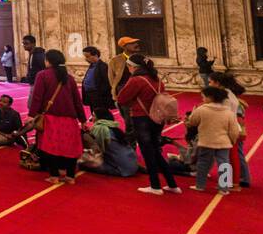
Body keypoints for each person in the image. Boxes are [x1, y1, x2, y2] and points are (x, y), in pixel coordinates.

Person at [116, 54, 182, 195]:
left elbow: (121, 98)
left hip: (142, 118)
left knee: (148, 152)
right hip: (157, 118)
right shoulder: (156, 79)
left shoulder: (136, 80)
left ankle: (155, 186)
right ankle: (172, 184)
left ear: (133, 66)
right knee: (155, 151)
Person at [28, 49, 85, 184]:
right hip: (70, 119)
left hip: (51, 118)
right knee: (70, 148)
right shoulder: (69, 78)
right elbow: (77, 101)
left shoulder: (42, 75)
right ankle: (70, 176)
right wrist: (82, 120)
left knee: (50, 147)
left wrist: (31, 115)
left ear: (48, 61)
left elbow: (37, 97)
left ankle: (54, 176)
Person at [186, 86, 243, 194]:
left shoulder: (202, 109)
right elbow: (234, 130)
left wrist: (192, 114)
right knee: (224, 164)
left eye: (203, 97)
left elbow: (192, 122)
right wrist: (232, 141)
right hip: (224, 143)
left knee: (203, 164)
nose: (202, 99)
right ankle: (224, 188)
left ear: (210, 97)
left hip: (206, 142)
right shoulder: (229, 112)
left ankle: (200, 185)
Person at [207, 71, 252, 188]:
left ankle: (226, 183)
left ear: (217, 83)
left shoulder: (224, 96)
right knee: (232, 157)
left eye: (210, 82)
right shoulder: (229, 93)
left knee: (225, 158)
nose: (209, 84)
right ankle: (233, 182)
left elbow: (222, 114)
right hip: (231, 128)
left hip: (227, 129)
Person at [80, 46, 114, 121]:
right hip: (91, 95)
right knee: (95, 115)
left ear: (95, 55)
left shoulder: (103, 66)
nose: (86, 59)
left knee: (101, 116)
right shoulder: (92, 66)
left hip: (98, 97)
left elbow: (106, 83)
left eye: (87, 56)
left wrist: (100, 95)